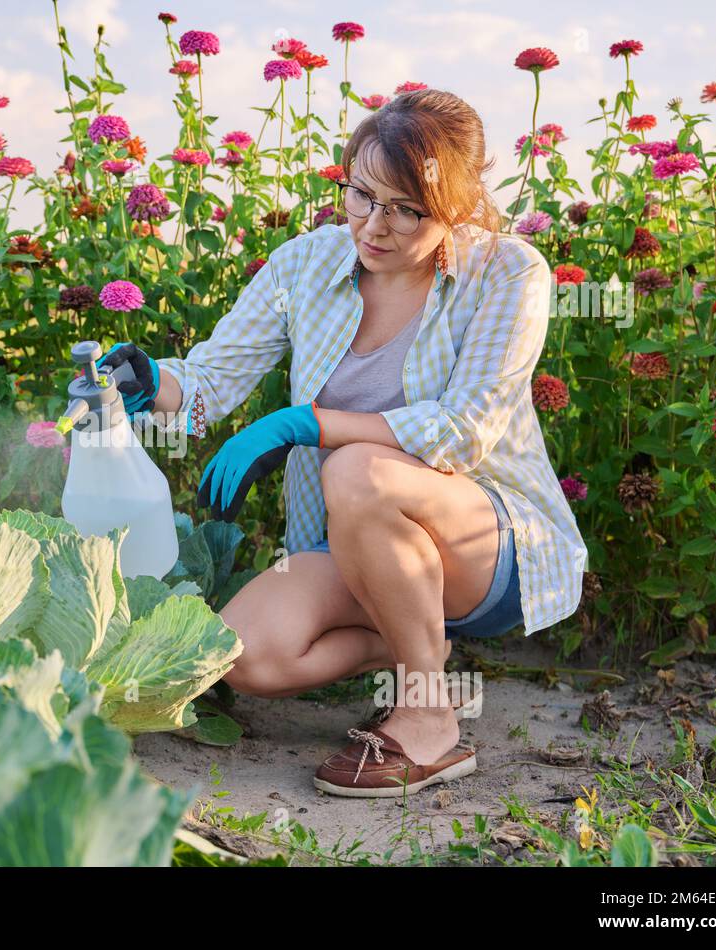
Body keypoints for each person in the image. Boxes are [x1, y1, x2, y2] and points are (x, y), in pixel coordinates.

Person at [100, 88, 587, 798]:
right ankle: (415, 639)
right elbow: (209, 378)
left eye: (406, 209)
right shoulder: (306, 265)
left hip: (489, 544)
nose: (374, 226)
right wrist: (150, 382)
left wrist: (310, 424)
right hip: (366, 547)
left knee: (359, 470)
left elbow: (464, 429)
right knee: (246, 656)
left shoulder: (507, 273)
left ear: (459, 204)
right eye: (361, 195)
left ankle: (428, 718)